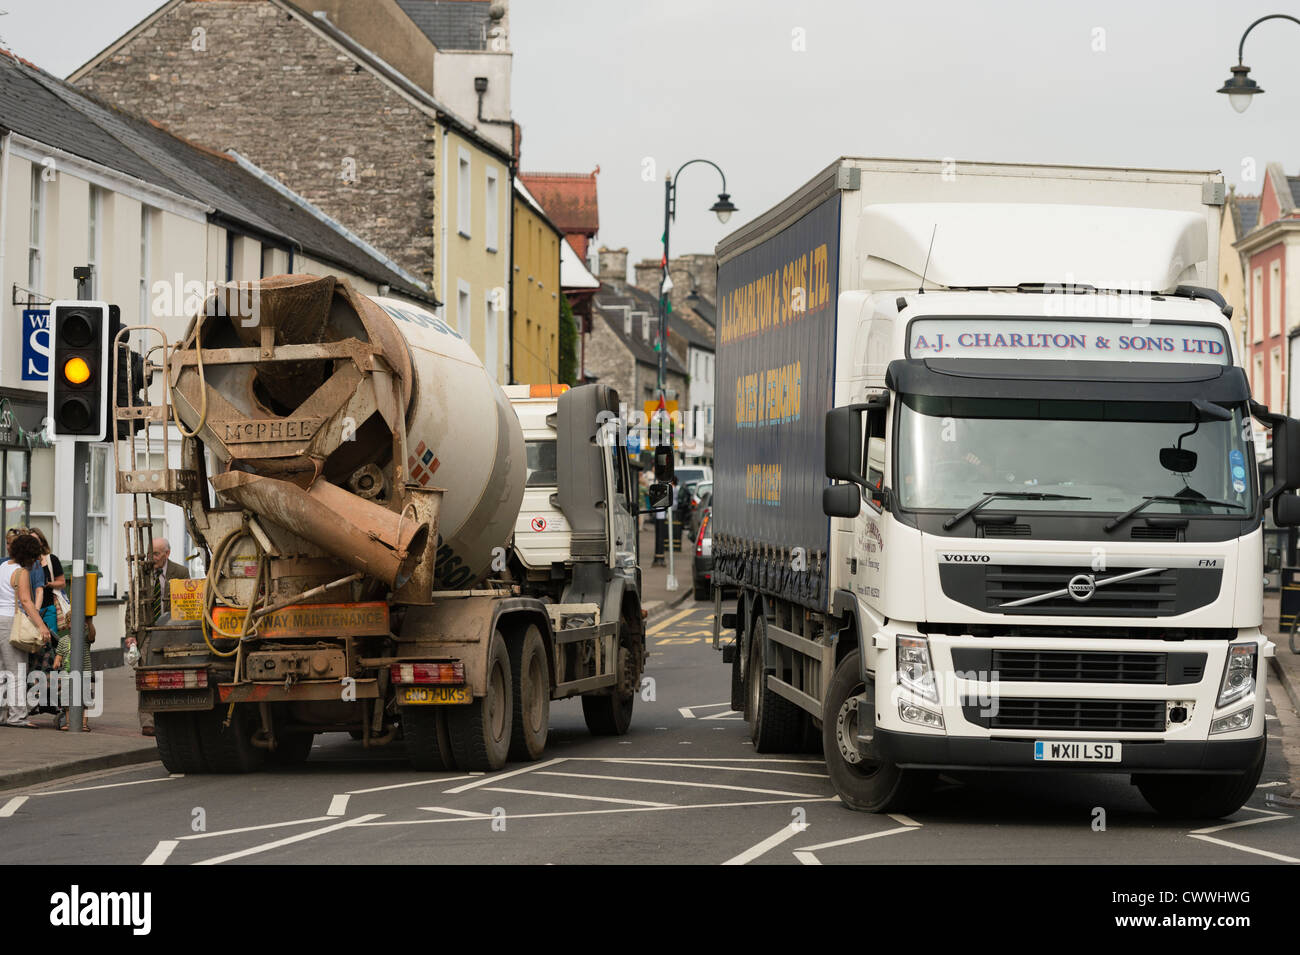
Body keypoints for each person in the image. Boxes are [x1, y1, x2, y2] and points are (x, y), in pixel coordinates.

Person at [127, 538, 189, 737]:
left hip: (172, 631)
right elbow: (132, 604)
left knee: (174, 676)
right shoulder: (142, 574)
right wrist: (130, 635)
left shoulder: (180, 572)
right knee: (146, 678)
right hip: (147, 632)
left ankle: (174, 718)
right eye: (149, 554)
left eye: (156, 554)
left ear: (167, 554)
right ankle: (148, 721)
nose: (152, 558)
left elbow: (187, 603)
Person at [0, 534, 51, 728]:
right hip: (11, 623)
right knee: (16, 672)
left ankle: (2, 715)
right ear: (28, 555)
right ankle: (17, 717)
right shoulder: (21, 573)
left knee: (1, 671)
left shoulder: (3, 567)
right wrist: (41, 626)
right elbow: (26, 602)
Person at [53, 617, 94, 732]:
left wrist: (89, 622)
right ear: (68, 624)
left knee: (84, 699)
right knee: (67, 699)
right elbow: (59, 654)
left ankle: (84, 724)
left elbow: (92, 635)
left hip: (84, 672)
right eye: (72, 622)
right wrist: (56, 661)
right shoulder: (63, 640)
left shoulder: (85, 638)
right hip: (67, 672)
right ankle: (69, 722)